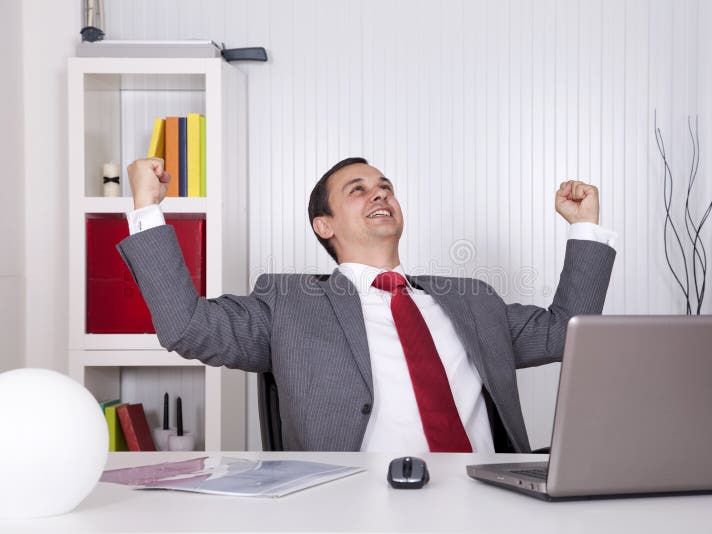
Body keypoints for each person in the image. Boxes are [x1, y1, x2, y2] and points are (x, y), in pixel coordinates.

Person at [117, 156, 616, 452]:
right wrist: (146, 207)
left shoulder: (472, 300)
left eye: (385, 188)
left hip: (486, 502)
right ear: (324, 225)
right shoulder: (288, 304)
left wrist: (585, 226)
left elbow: (564, 333)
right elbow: (186, 326)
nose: (379, 195)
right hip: (357, 508)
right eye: (358, 191)